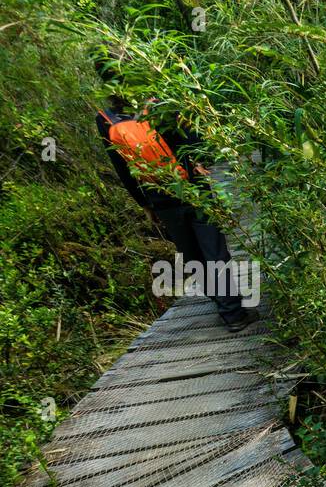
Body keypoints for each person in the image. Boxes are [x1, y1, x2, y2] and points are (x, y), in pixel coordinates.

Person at [95, 63, 258, 333]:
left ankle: (225, 306)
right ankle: (234, 314)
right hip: (194, 187)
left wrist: (144, 203)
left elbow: (122, 168)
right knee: (214, 250)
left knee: (193, 255)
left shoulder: (106, 119)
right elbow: (195, 141)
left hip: (160, 195)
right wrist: (204, 164)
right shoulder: (159, 102)